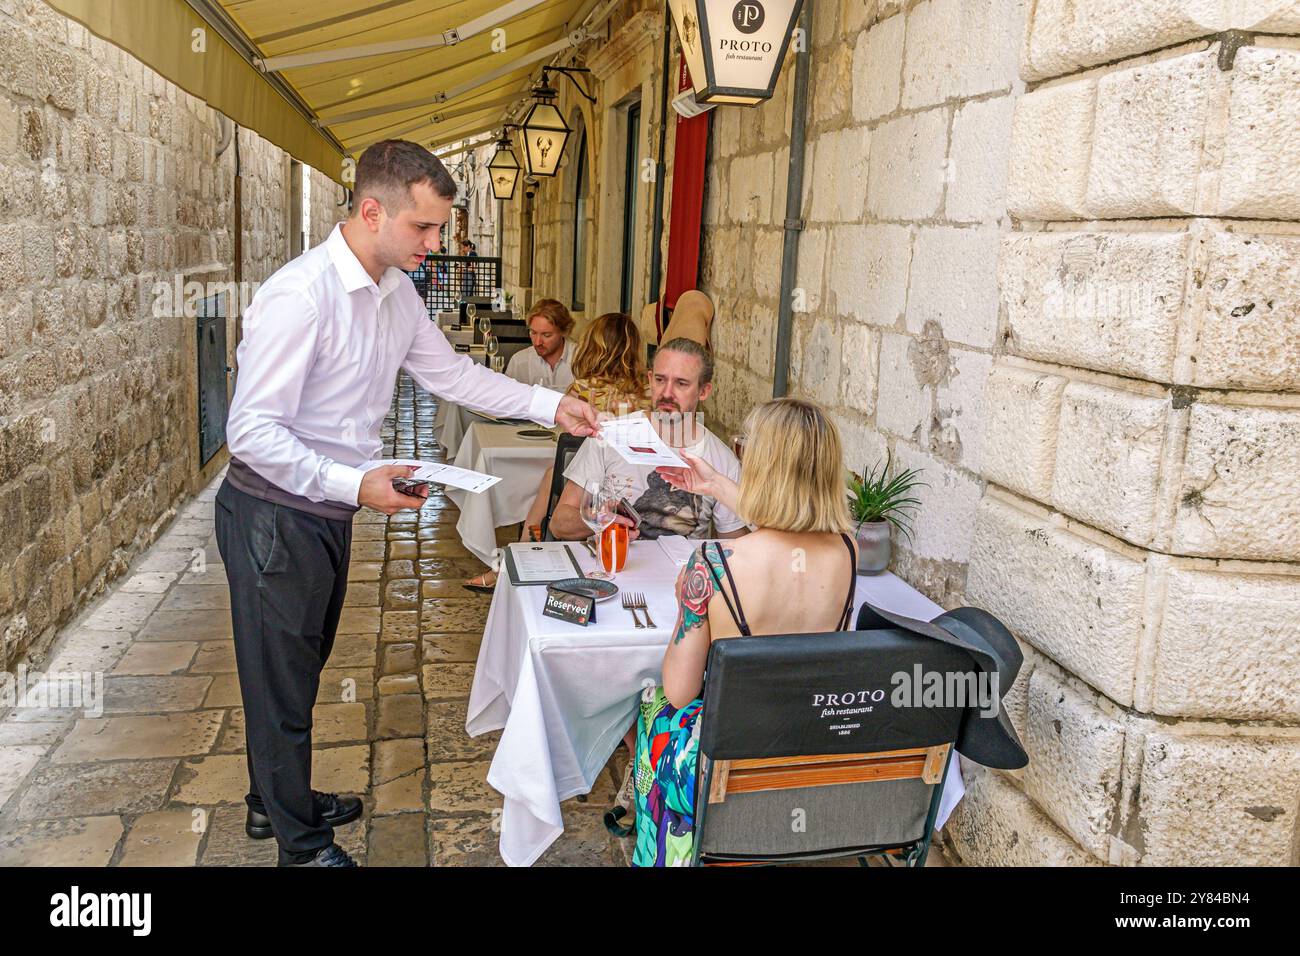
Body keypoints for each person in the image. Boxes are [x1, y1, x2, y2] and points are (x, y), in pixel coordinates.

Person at [217, 139, 600, 868]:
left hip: (323, 514)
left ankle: (274, 802)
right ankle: (300, 847)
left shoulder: (396, 293)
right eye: (424, 229)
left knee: (297, 671)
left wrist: (553, 407)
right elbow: (251, 432)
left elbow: (453, 375)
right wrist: (352, 481)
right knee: (280, 684)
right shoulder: (300, 297)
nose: (437, 243)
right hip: (272, 515)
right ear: (371, 211)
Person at [629, 397, 859, 866]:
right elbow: (787, 525)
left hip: (724, 758)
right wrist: (716, 485)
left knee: (650, 706)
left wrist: (682, 605)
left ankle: (666, 849)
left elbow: (678, 691)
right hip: (806, 742)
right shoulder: (848, 551)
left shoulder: (713, 565)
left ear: (760, 465)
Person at [463, 312, 651, 592]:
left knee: (547, 478)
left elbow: (565, 441)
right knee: (548, 477)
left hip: (583, 482)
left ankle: (517, 556)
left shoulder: (583, 389)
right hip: (626, 483)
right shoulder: (647, 393)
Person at [548, 337, 746, 542]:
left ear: (704, 391)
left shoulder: (723, 461)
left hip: (684, 571)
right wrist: (601, 519)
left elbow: (735, 546)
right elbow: (560, 524)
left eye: (681, 383)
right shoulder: (609, 437)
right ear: (650, 379)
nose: (667, 393)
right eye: (660, 380)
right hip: (610, 567)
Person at [504, 298, 576, 391]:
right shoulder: (519, 362)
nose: (537, 342)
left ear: (564, 332)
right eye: (533, 333)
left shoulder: (582, 359)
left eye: (547, 335)